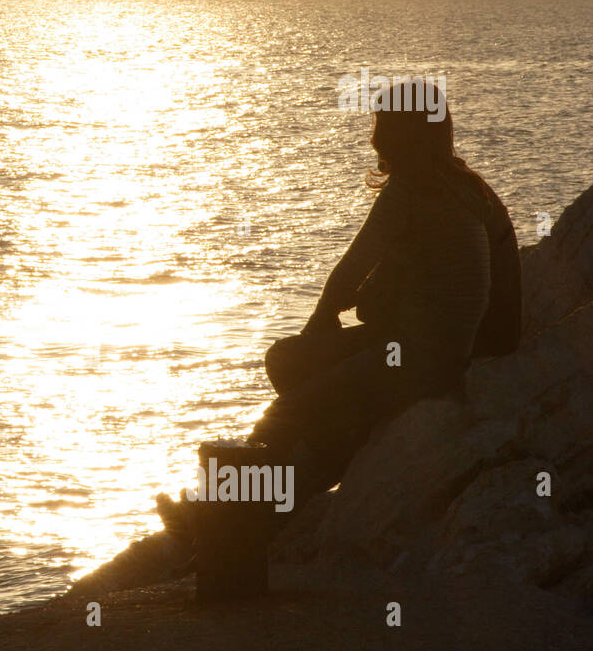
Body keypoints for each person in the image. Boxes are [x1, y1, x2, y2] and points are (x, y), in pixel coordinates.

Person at [157, 79, 521, 549]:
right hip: (437, 349)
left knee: (291, 410)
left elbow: (350, 272)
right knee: (296, 372)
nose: (373, 139)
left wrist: (320, 325)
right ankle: (255, 518)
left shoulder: (411, 191)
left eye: (383, 126)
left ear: (407, 135)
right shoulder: (468, 187)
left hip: (422, 359)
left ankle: (215, 515)